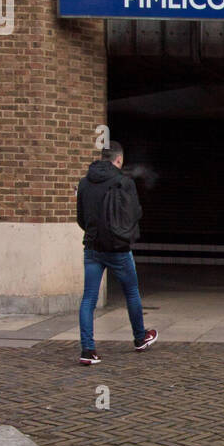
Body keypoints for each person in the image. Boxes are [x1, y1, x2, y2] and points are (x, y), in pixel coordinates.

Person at [76, 141, 157, 365]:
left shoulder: (84, 183)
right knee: (131, 292)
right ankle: (139, 338)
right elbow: (135, 213)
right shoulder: (124, 181)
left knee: (88, 299)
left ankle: (87, 350)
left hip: (92, 248)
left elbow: (81, 218)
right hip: (118, 248)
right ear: (119, 159)